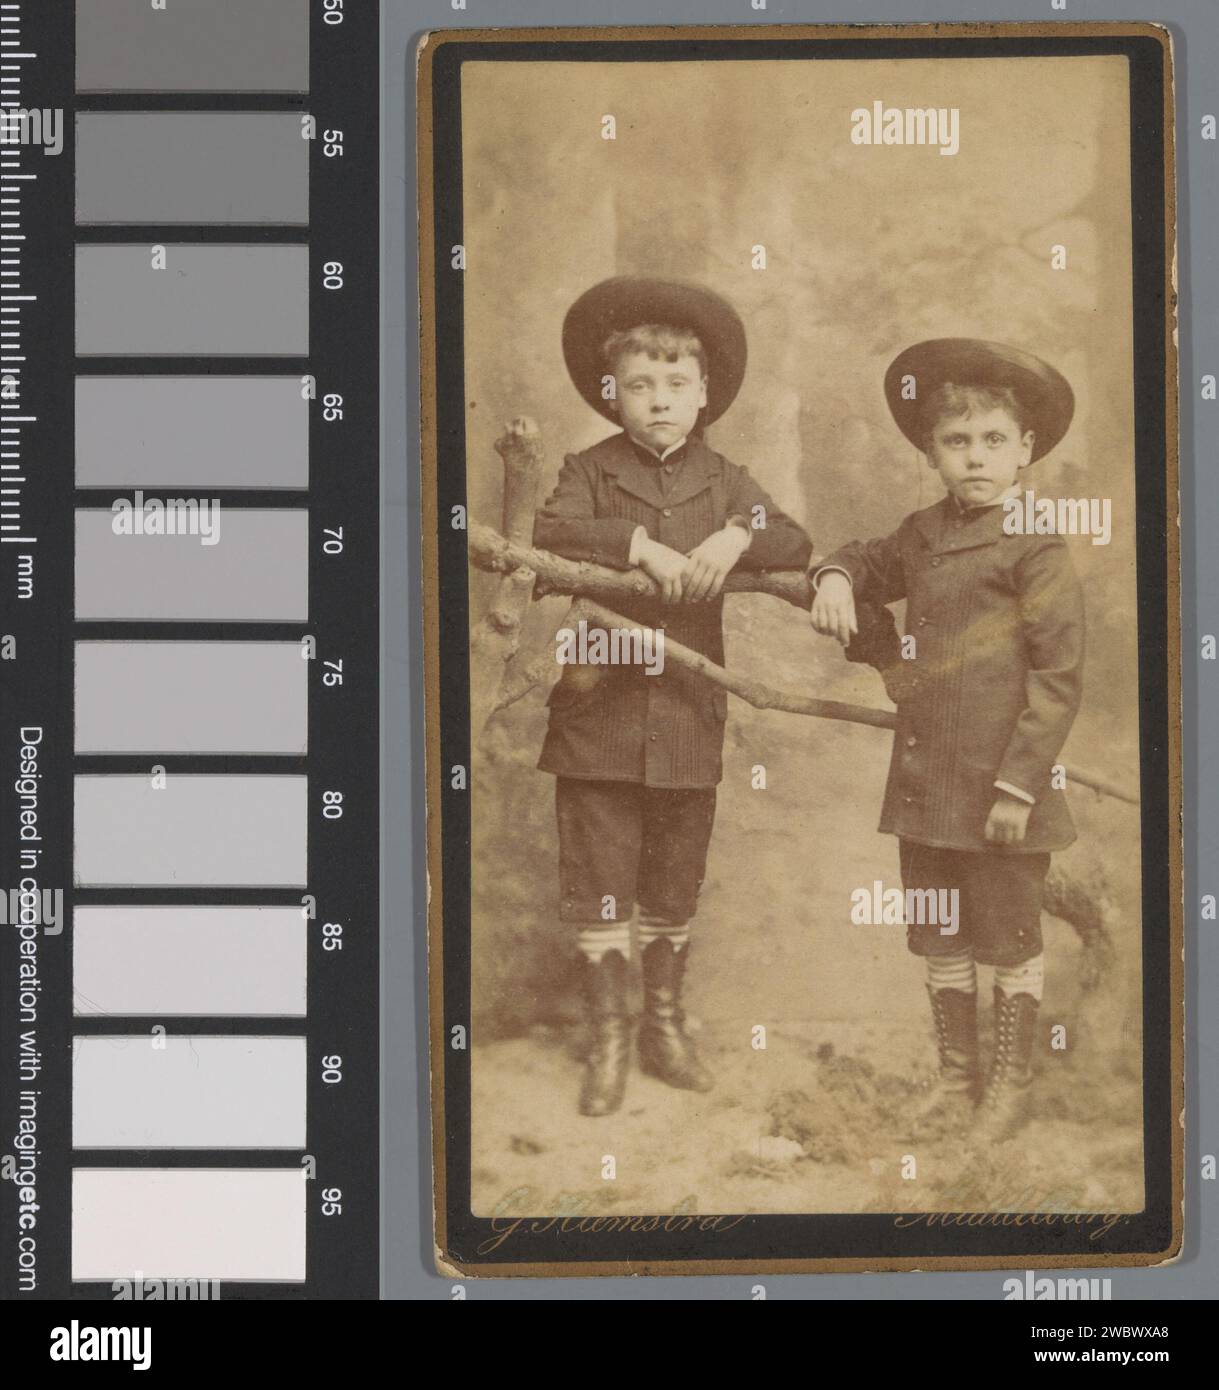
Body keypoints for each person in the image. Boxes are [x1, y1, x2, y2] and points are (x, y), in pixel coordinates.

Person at [534, 276, 812, 1116]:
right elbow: (544, 534)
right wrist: (637, 546)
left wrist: (735, 534)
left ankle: (662, 1026)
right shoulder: (586, 472)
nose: (659, 401)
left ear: (703, 394)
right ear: (612, 394)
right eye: (641, 385)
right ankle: (610, 1039)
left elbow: (793, 539)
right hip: (598, 715)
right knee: (601, 879)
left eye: (676, 384)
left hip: (688, 716)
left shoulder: (727, 480)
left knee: (670, 883)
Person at [810, 339, 1085, 1141]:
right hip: (927, 784)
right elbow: (866, 559)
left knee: (1005, 937)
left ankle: (1007, 1087)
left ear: (1024, 449)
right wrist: (833, 576)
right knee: (939, 932)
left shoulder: (1035, 543)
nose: (975, 458)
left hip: (1002, 786)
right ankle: (955, 1079)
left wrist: (1017, 788)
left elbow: (1057, 680)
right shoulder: (922, 533)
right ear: (931, 451)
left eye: (993, 440)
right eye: (957, 442)